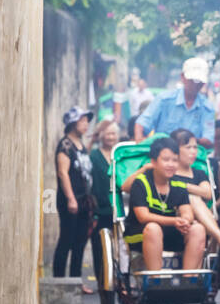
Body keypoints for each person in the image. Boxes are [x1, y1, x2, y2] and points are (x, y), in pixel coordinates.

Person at [121, 136, 206, 272]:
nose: (171, 164)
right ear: (154, 162)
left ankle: (189, 281)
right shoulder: (141, 182)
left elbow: (187, 212)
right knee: (153, 228)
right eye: (166, 160)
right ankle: (155, 281)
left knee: (198, 229)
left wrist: (185, 221)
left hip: (170, 233)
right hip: (141, 234)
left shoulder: (178, 183)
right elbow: (143, 217)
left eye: (174, 160)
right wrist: (174, 221)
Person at [162, 128, 220, 252]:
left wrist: (180, 185)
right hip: (173, 220)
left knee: (194, 199)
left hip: (198, 222)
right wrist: (190, 189)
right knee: (192, 198)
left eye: (195, 147)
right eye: (188, 148)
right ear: (175, 150)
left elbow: (208, 193)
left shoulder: (199, 173)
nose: (193, 152)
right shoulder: (168, 171)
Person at [53, 106, 95, 284]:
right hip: (71, 201)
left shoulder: (80, 145)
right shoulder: (65, 145)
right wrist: (71, 199)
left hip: (84, 201)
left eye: (86, 120)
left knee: (79, 243)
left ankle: (76, 281)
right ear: (72, 123)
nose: (86, 124)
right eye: (82, 121)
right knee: (66, 240)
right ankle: (60, 281)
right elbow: (63, 173)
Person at [135, 57, 215, 146]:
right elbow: (142, 123)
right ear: (182, 77)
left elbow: (208, 139)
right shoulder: (164, 100)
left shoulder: (207, 107)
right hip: (164, 155)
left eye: (200, 81)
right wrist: (140, 143)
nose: (196, 84)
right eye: (192, 80)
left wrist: (187, 142)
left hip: (192, 155)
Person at [88, 119, 121, 284]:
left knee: (119, 246)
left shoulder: (121, 154)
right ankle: (103, 280)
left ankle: (118, 279)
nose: (111, 137)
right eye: (107, 133)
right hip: (99, 209)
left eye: (114, 133)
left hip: (119, 209)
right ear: (101, 135)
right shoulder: (94, 155)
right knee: (99, 246)